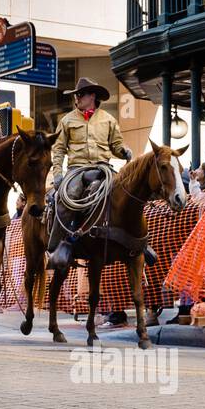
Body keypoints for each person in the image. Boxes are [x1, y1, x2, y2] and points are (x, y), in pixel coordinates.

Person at [46, 77, 133, 269]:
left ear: (92, 96)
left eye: (80, 94)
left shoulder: (108, 120)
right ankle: (57, 248)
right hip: (77, 169)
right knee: (67, 198)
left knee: (126, 194)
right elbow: (59, 150)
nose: (77, 98)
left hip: (104, 168)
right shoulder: (67, 120)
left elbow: (116, 145)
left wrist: (125, 151)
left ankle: (139, 243)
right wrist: (58, 174)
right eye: (76, 95)